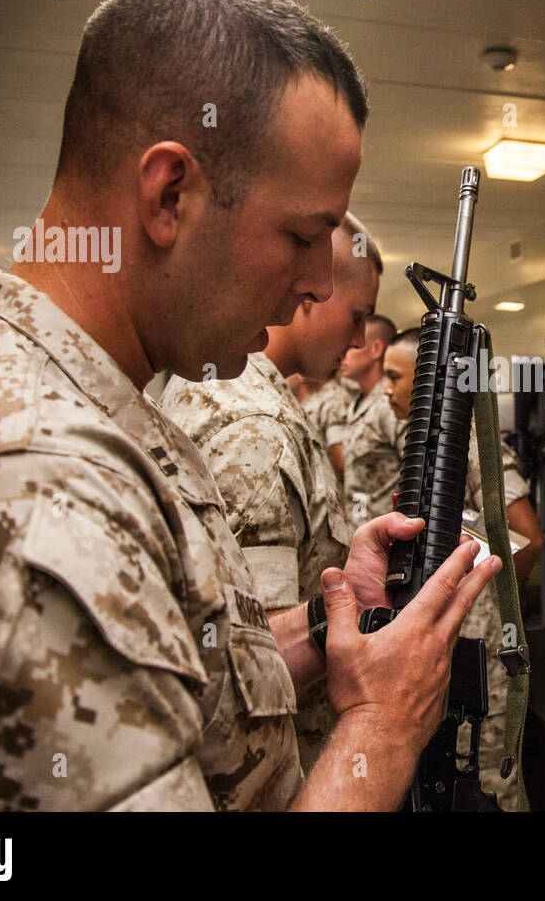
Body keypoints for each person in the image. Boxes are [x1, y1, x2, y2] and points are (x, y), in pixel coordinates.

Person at [0, 0, 497, 811]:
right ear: (170, 195)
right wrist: (382, 728)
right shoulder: (26, 492)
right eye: (304, 235)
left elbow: (193, 686)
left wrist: (329, 624)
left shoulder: (112, 413)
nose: (317, 285)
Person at [159, 211, 382, 769]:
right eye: (357, 316)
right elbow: (257, 663)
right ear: (311, 293)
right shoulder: (258, 427)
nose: (359, 341)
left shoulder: (216, 381)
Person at [380, 327, 545, 809]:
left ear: (427, 378)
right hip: (439, 642)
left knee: (488, 777)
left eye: (395, 377)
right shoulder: (420, 448)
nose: (385, 388)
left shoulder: (471, 450)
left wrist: (491, 606)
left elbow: (529, 541)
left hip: (479, 651)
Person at [340, 314, 404, 526]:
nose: (343, 355)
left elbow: (421, 472)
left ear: (376, 349)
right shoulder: (356, 403)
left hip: (389, 536)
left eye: (352, 347)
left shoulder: (391, 404)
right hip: (359, 524)